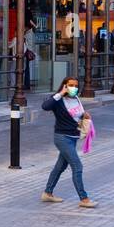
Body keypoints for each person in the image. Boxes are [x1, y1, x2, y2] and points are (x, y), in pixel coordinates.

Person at [40, 76, 97, 208]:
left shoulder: (76, 99)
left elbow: (77, 115)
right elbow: (45, 106)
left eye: (76, 85)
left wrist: (84, 115)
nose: (74, 88)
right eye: (71, 85)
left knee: (60, 166)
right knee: (77, 166)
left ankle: (47, 193)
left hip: (73, 138)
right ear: (65, 85)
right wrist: (60, 94)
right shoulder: (58, 100)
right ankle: (84, 199)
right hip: (62, 138)